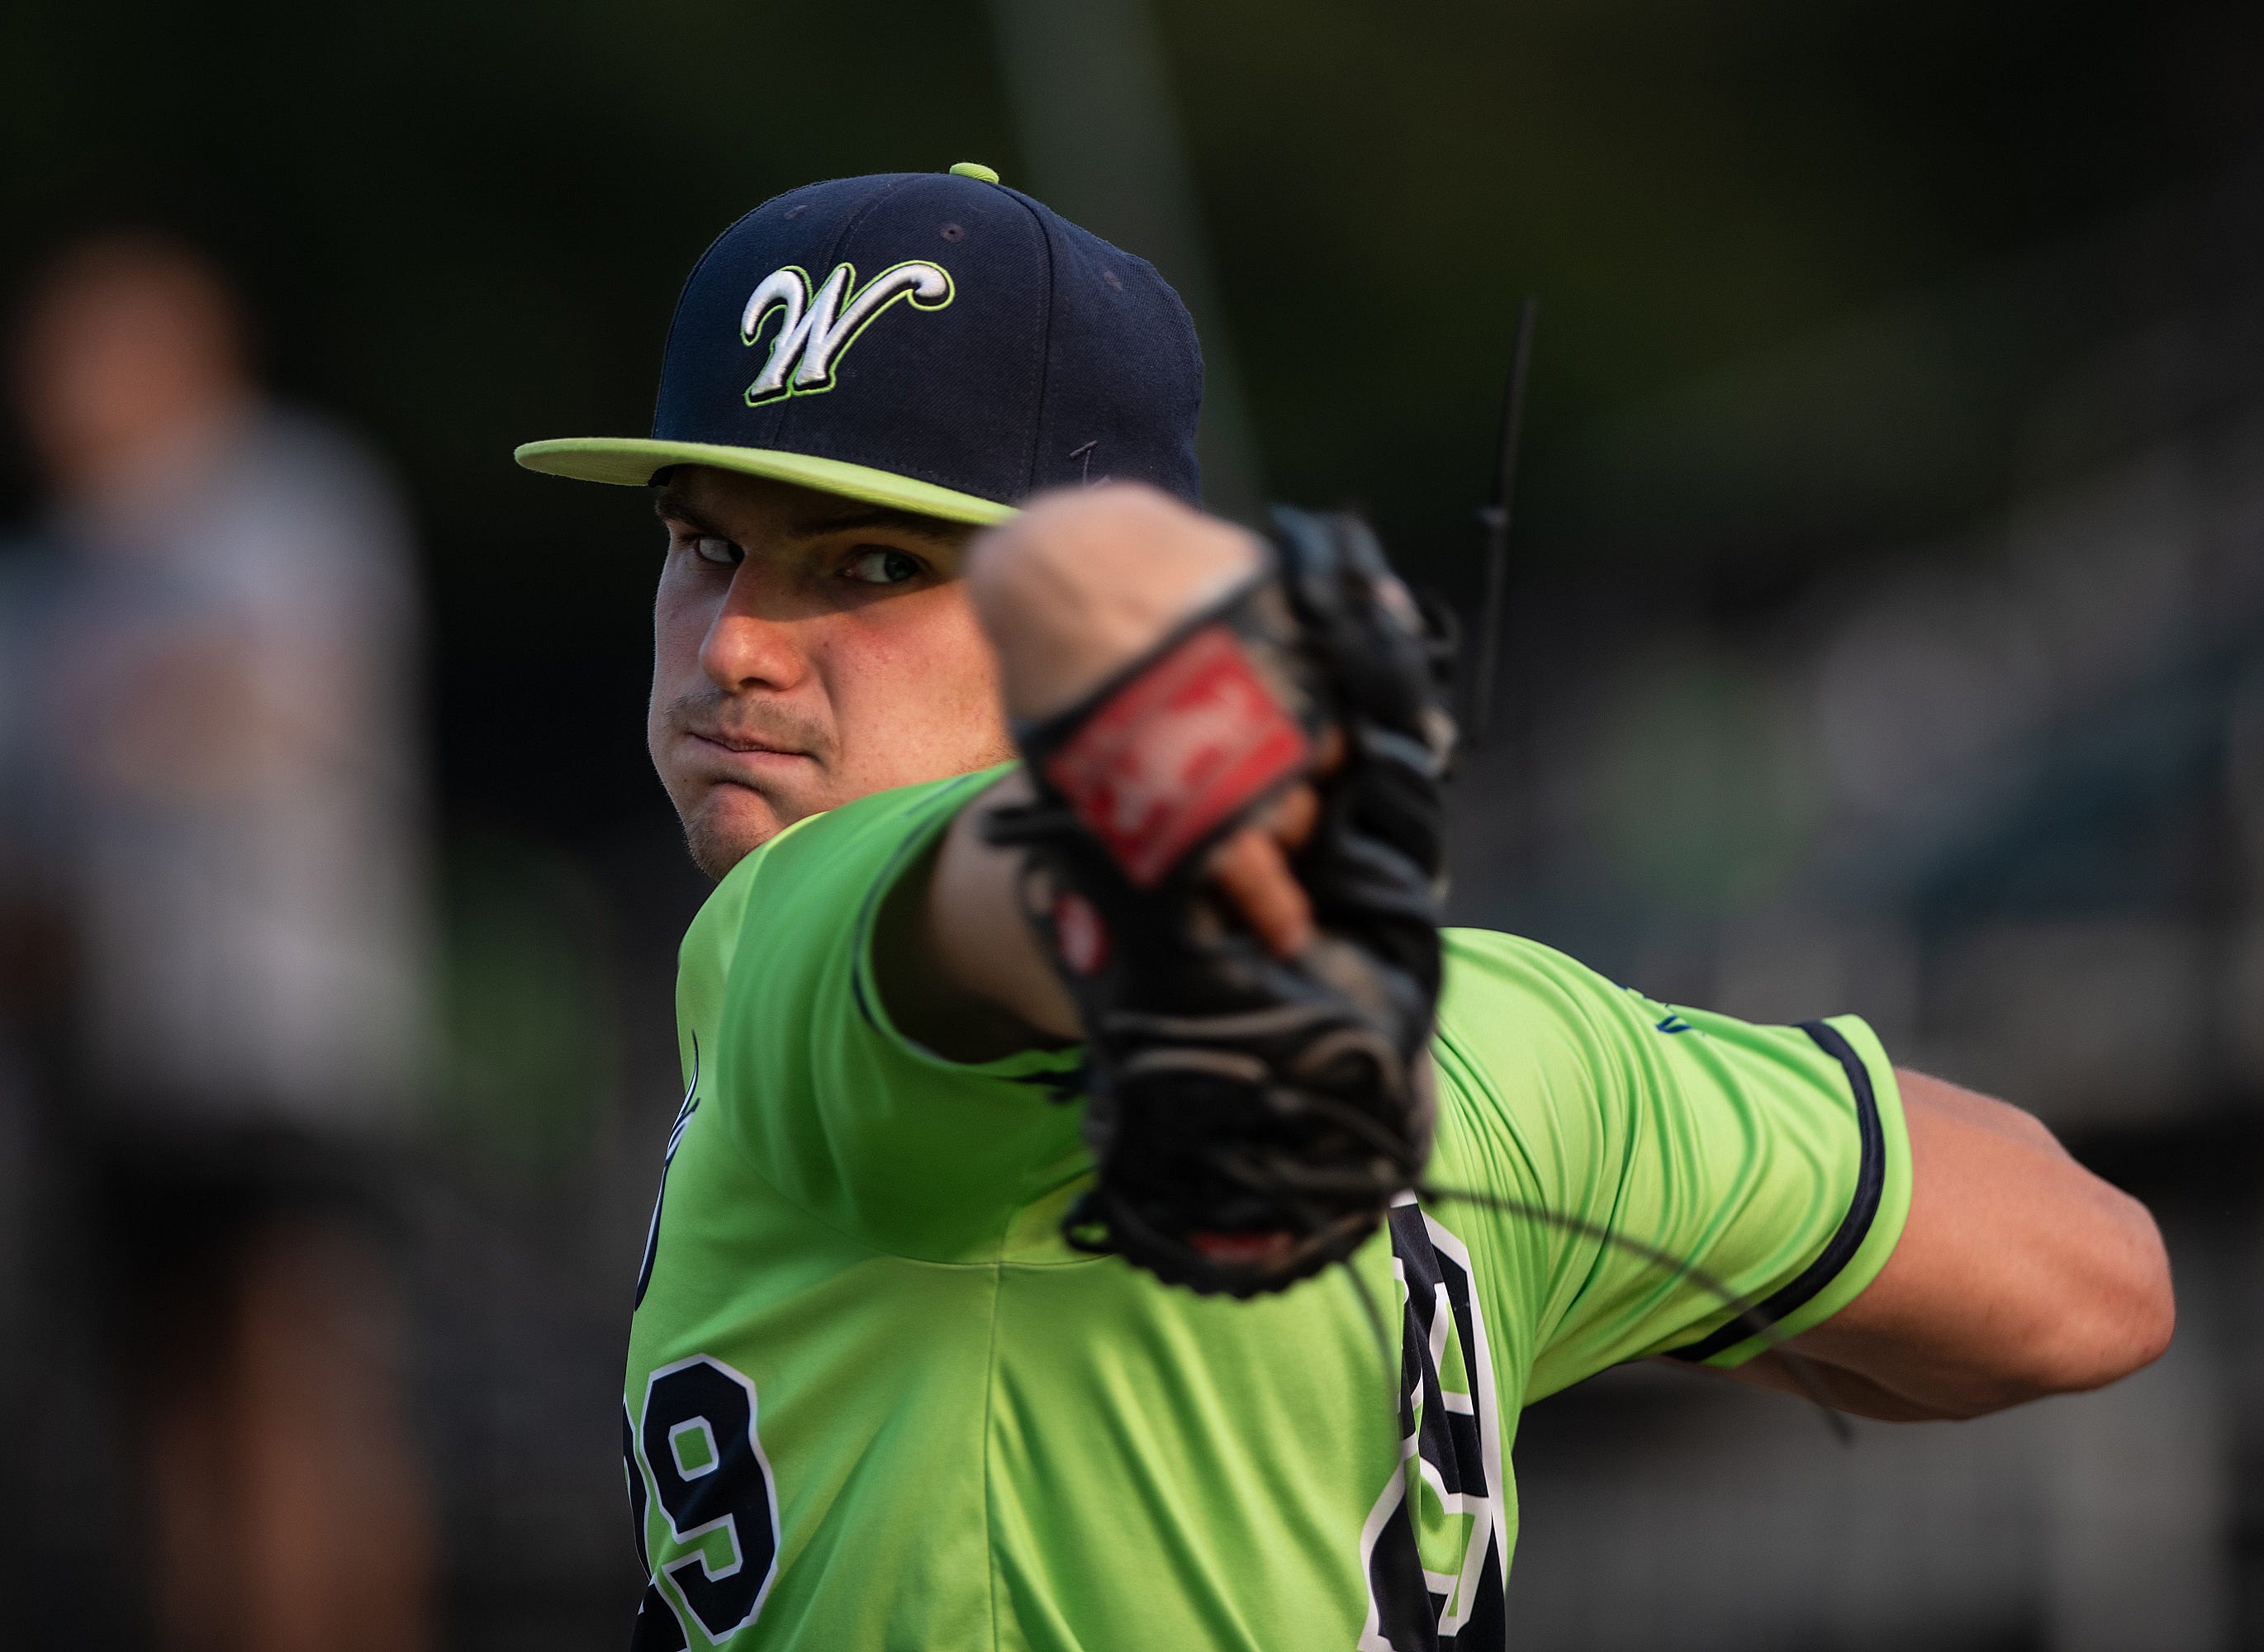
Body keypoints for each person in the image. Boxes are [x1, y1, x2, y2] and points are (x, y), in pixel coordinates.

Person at [516, 166, 2174, 1652]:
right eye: (703, 544)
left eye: (872, 566)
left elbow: (995, 907)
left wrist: (1152, 861)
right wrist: (1598, 1262)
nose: (734, 642)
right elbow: (2091, 1276)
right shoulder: (1498, 1043)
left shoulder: (802, 925)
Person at [6, 233, 435, 1652]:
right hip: (125, 1058)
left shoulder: (289, 508)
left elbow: (258, 705)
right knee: (168, 1403)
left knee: (301, 1389)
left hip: (291, 1040)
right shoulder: (50, 577)